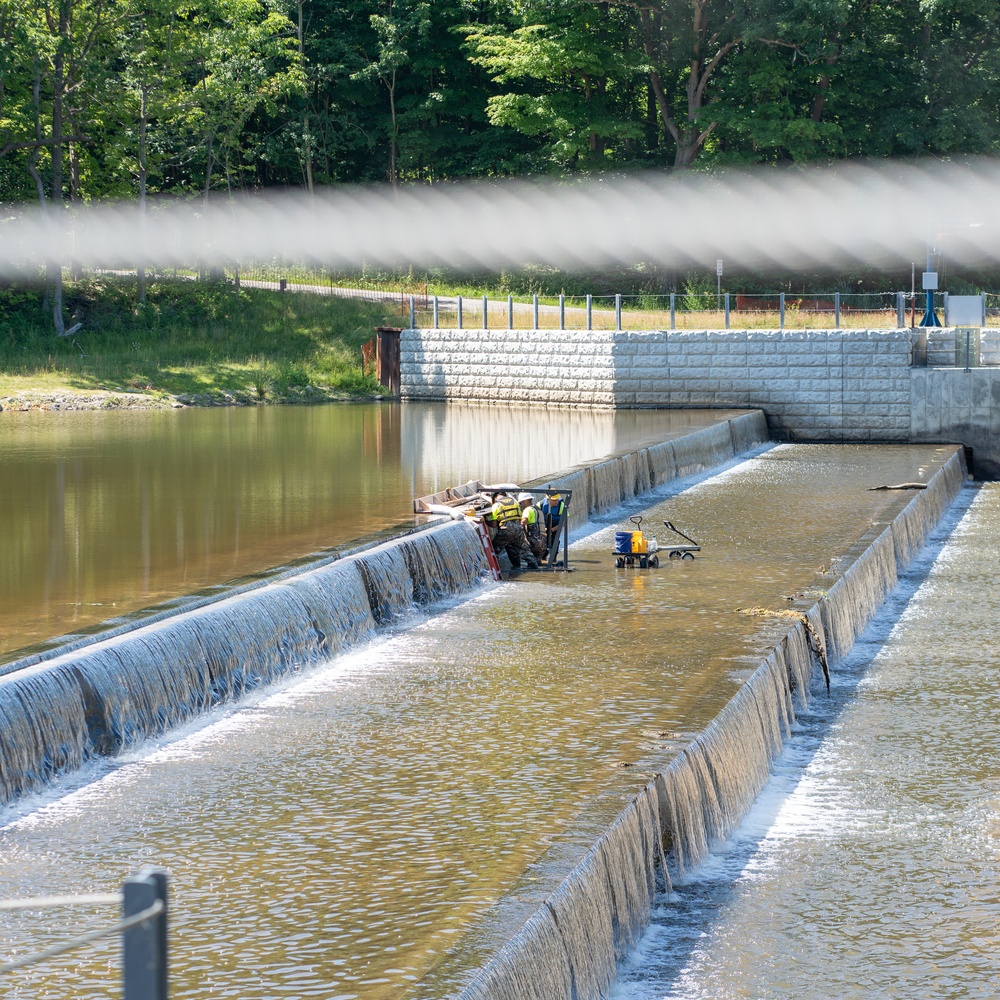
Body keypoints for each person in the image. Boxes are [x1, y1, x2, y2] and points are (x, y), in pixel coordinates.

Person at [489, 492, 537, 570]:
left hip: (506, 529)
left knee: (494, 549)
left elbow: (494, 524)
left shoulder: (496, 505)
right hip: (518, 528)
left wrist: (487, 521)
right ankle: (536, 569)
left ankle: (494, 571)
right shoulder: (515, 502)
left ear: (495, 499)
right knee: (524, 551)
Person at [519, 492, 547, 564]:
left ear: (524, 501)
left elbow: (524, 521)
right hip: (543, 543)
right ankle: (537, 570)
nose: (521, 506)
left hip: (534, 542)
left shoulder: (528, 509)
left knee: (518, 551)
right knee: (537, 561)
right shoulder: (538, 509)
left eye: (521, 503)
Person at [540, 490, 566, 559]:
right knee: (542, 541)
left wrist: (552, 529)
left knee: (555, 541)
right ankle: (543, 557)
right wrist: (543, 529)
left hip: (556, 525)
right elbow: (537, 519)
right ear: (548, 499)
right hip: (544, 524)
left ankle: (553, 558)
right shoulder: (540, 505)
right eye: (554, 500)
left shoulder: (561, 505)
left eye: (557, 499)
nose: (556, 502)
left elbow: (564, 522)